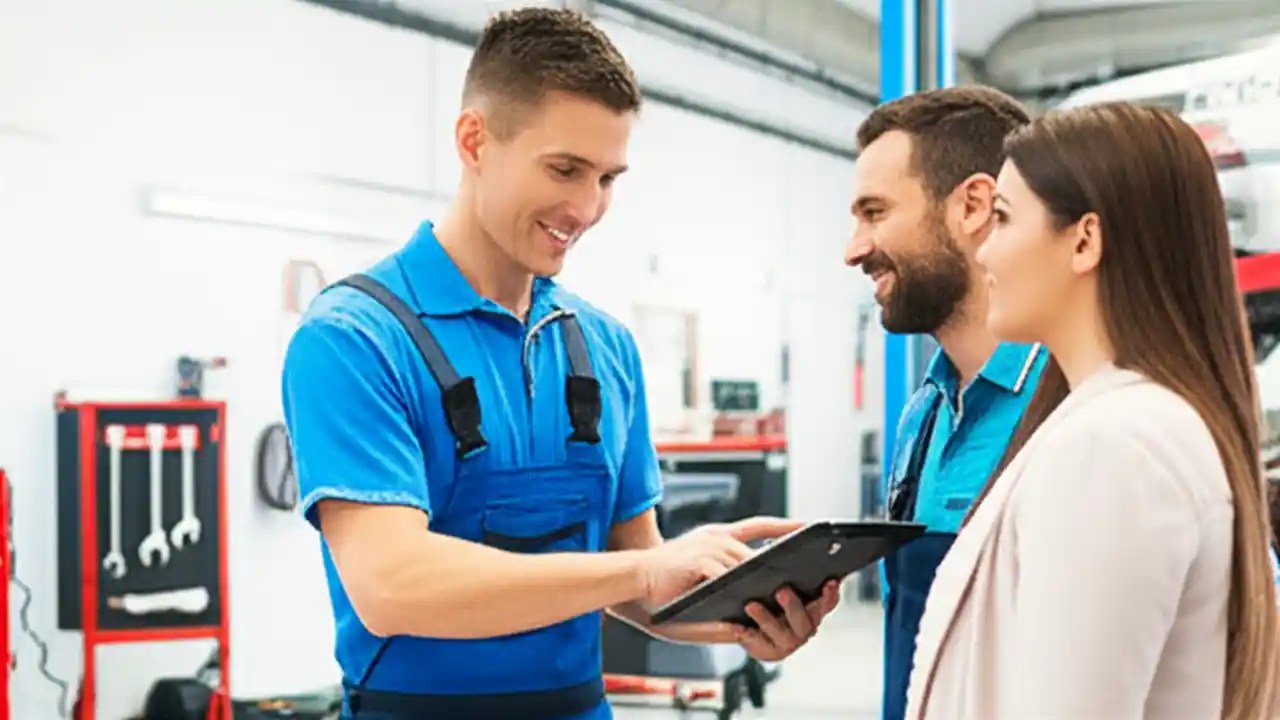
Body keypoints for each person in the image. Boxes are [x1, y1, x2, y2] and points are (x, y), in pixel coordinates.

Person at [280, 8, 840, 720]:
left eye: (608, 177)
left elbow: (641, 587)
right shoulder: (353, 340)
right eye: (565, 169)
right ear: (474, 140)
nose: (586, 206)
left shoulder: (605, 349)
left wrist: (745, 617)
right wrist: (644, 567)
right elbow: (392, 585)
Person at [905, 101, 1280, 719]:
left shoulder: (1117, 448)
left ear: (1085, 240)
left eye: (1002, 219)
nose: (983, 254)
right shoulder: (1117, 426)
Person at [844, 85, 1042, 720]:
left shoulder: (1079, 408)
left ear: (974, 205)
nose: (852, 248)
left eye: (874, 212)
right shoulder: (922, 417)